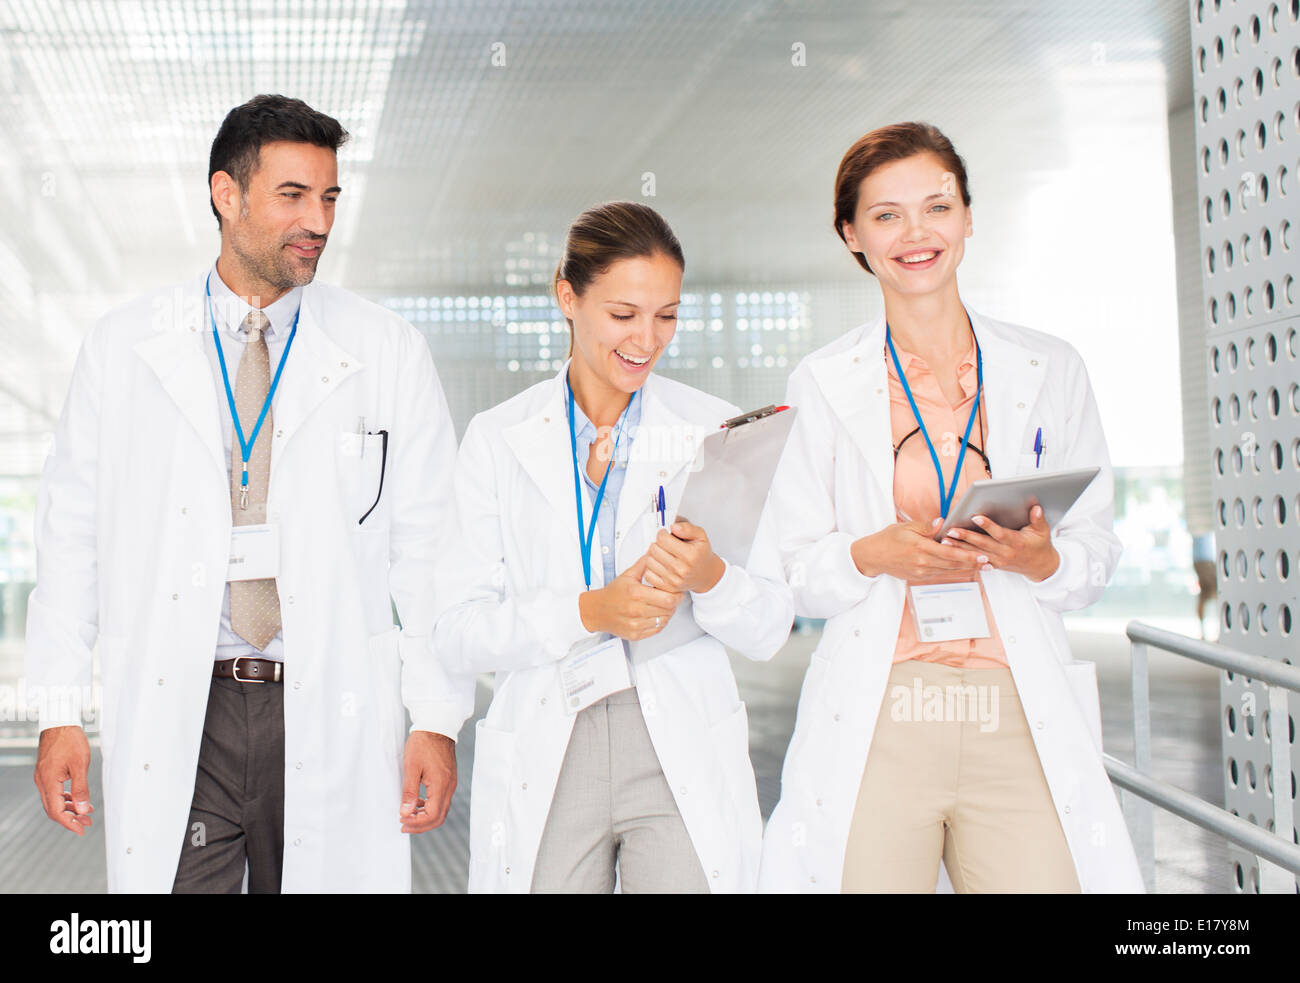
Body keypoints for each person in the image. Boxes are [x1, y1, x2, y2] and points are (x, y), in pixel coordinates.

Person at [26, 94, 474, 893]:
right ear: (225, 195)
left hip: (326, 698)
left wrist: (436, 717)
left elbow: (432, 549)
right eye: (293, 196)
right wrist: (59, 708)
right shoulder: (126, 347)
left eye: (330, 197)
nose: (320, 221)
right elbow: (71, 536)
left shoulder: (387, 350)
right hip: (183, 702)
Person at [759, 122, 1143, 893]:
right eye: (886, 215)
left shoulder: (1052, 366)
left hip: (1017, 703)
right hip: (882, 706)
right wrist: (872, 553)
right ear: (852, 235)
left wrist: (1046, 559)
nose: (916, 233)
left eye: (937, 206)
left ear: (968, 216)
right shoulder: (822, 380)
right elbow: (795, 570)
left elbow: (1095, 547)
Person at [435, 201, 794, 893]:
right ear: (567, 296)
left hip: (676, 733)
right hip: (551, 728)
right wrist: (589, 610)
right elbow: (456, 631)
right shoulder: (498, 438)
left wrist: (712, 576)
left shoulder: (711, 431)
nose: (647, 339)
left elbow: (771, 625)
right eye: (623, 314)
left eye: (667, 315)